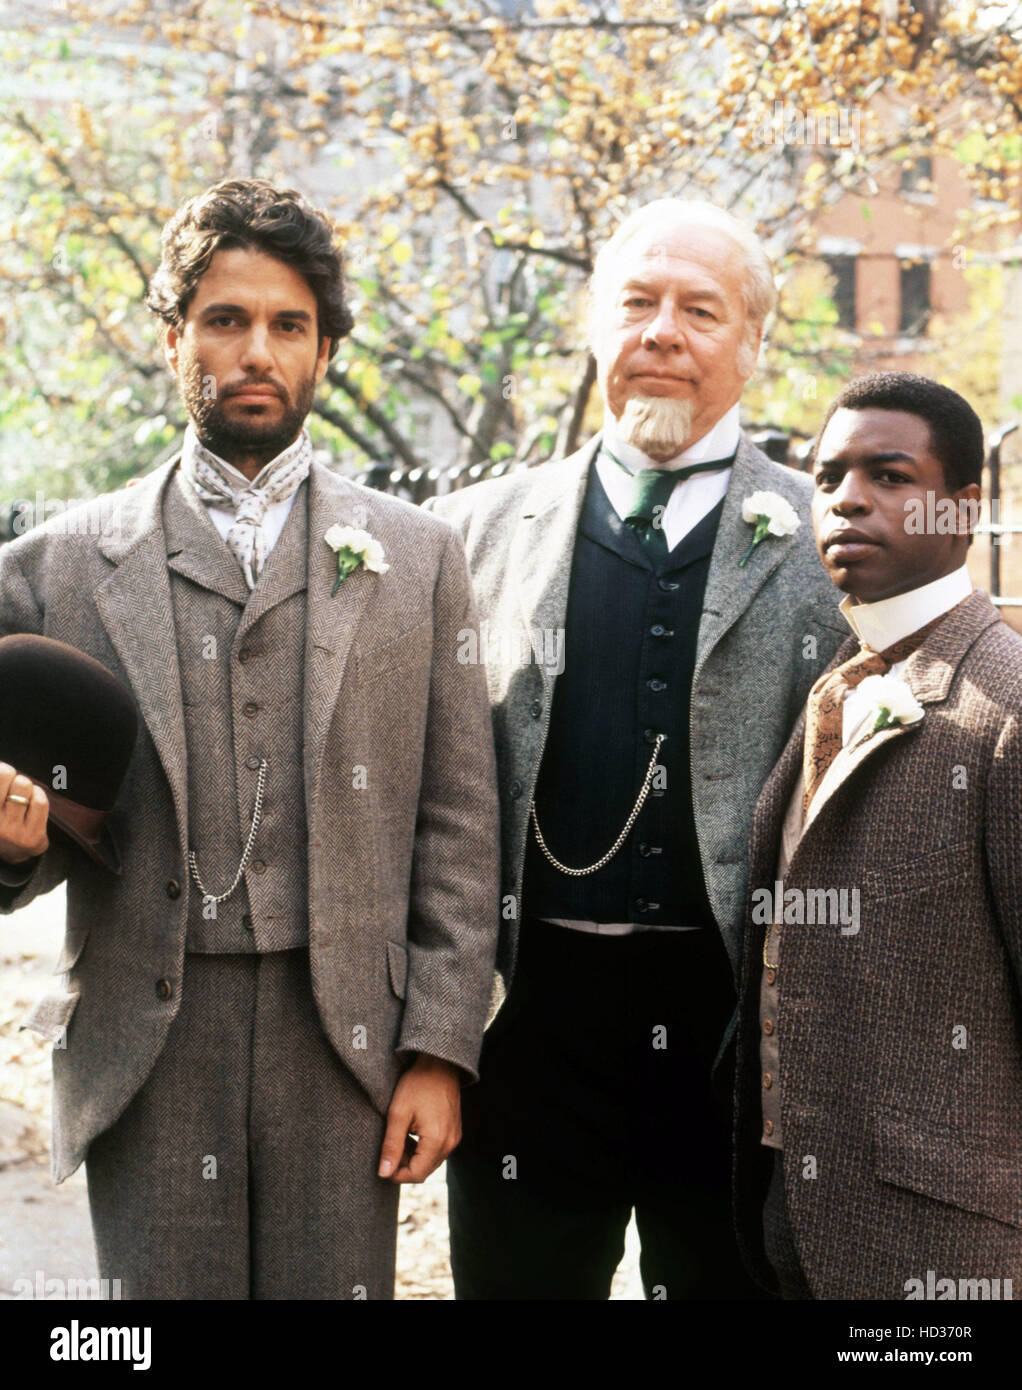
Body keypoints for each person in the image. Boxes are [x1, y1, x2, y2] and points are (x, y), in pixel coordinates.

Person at [0, 177, 499, 1300]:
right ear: (175, 338)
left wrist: (439, 1046)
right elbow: (23, 841)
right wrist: (16, 846)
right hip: (147, 1040)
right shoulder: (57, 569)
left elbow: (459, 822)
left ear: (323, 349)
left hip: (348, 1043)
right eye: (224, 320)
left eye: (287, 325)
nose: (255, 350)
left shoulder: (418, 558)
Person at [427, 198, 847, 1299]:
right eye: (636, 303)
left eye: (699, 310)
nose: (661, 331)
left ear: (751, 343)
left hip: (733, 1035)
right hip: (528, 1021)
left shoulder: (826, 540)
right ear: (592, 327)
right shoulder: (470, 534)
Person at [733, 372, 1022, 1300]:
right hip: (797, 1213)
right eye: (828, 478)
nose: (848, 498)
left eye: (890, 476)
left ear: (963, 508)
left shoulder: (1004, 706)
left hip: (949, 1242)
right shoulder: (839, 684)